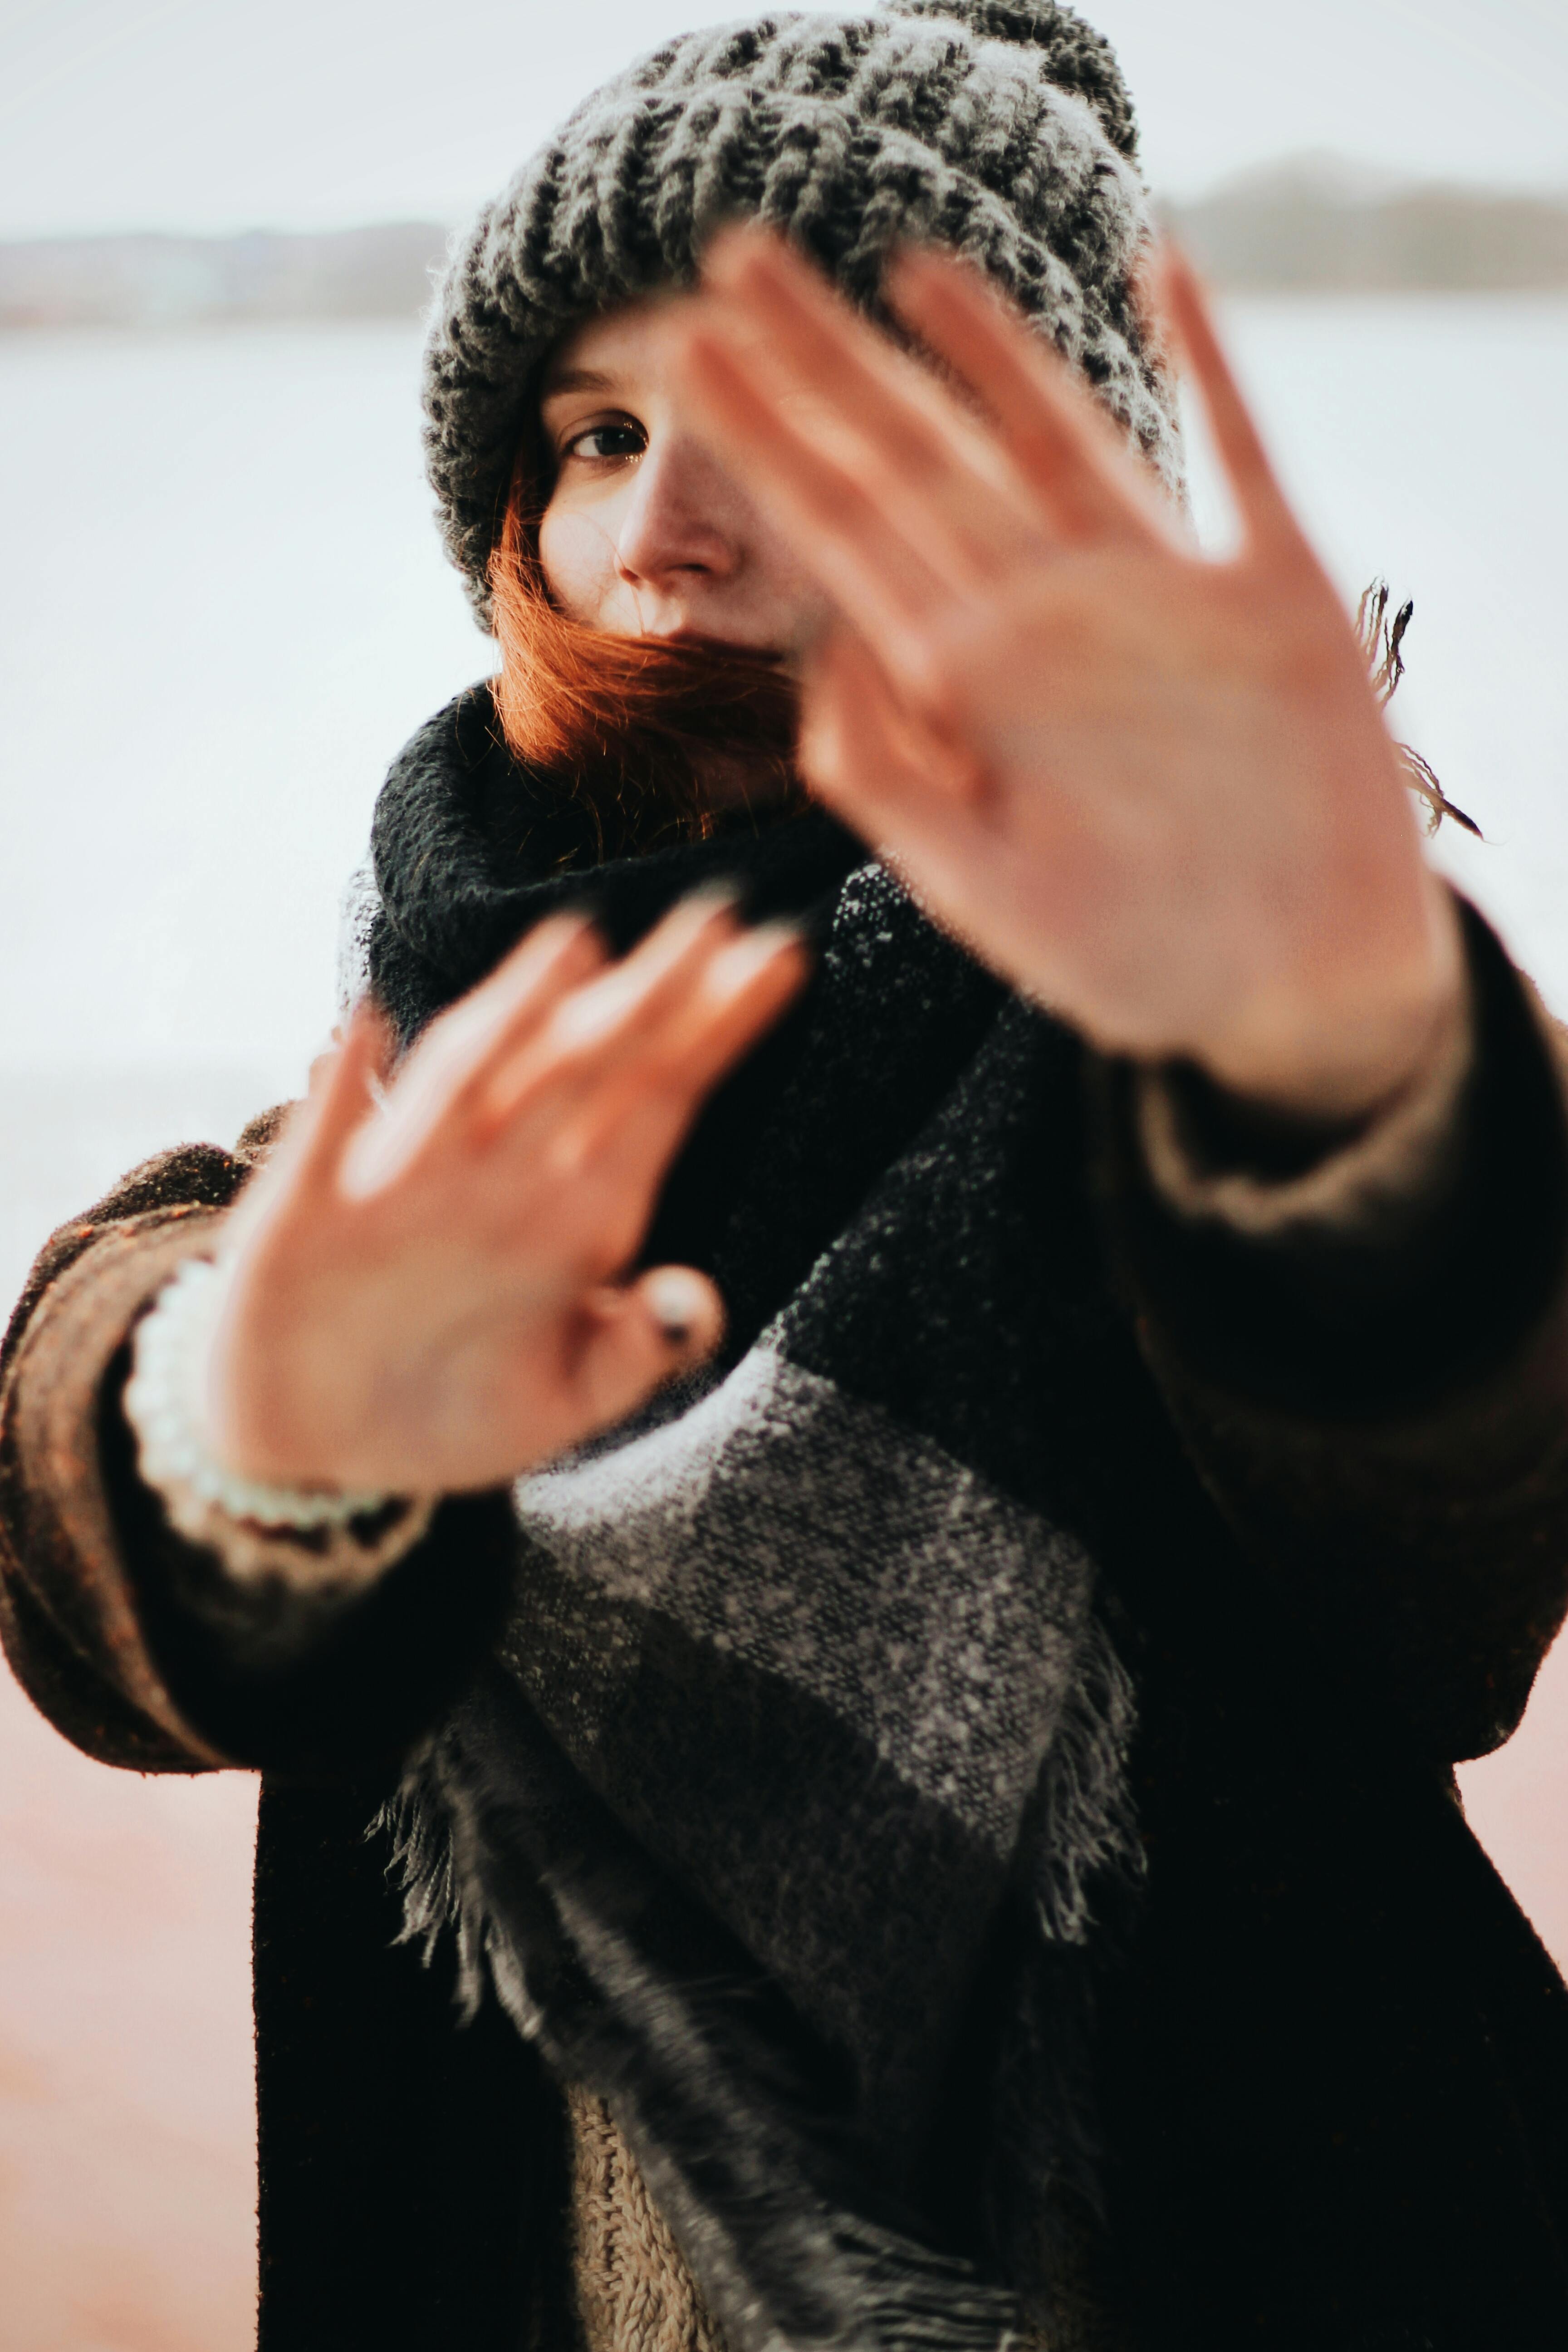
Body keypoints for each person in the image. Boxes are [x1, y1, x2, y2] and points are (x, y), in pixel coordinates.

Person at [3, 3, 1568, 2346]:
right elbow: (104, 1468)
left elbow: (1447, 1591)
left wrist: (1349, 1084)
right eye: (598, 433)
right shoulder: (413, 1089)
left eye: (790, 434)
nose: (659, 528)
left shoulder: (1231, 1045)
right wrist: (250, 1421)